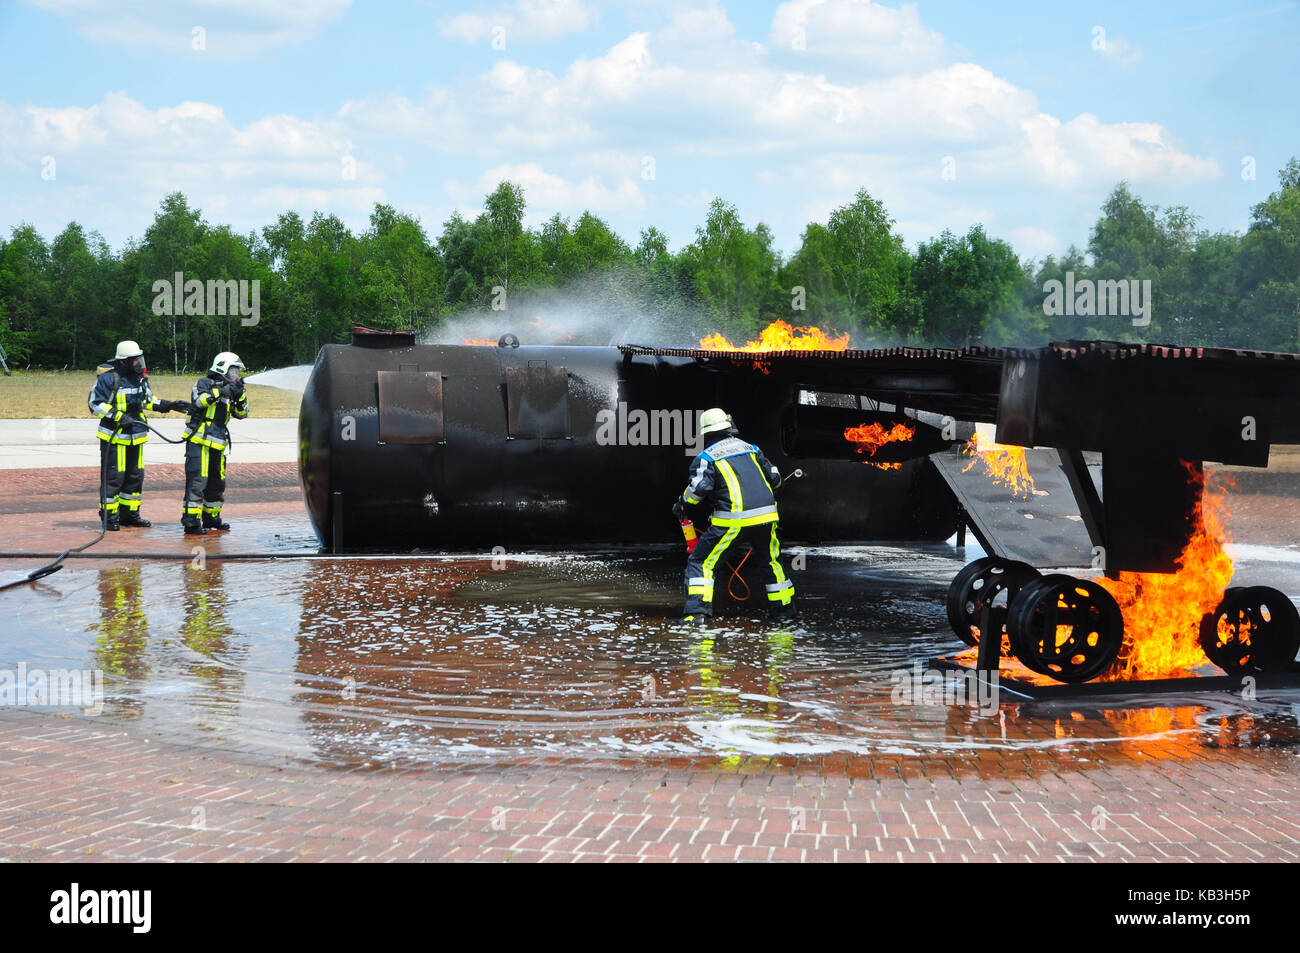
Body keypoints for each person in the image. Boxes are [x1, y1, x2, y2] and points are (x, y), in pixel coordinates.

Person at [673, 408, 795, 623]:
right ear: (729, 427)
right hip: (767, 518)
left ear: (706, 433)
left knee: (701, 562)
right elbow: (775, 479)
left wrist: (682, 503)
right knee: (771, 562)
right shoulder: (752, 449)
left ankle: (696, 614)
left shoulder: (706, 458)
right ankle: (785, 613)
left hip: (733, 521)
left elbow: (698, 490)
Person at [86, 340, 189, 529]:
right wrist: (118, 416)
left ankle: (130, 515)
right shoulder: (108, 379)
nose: (139, 363)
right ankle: (110, 518)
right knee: (114, 478)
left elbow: (148, 401)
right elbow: (94, 403)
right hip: (114, 439)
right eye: (135, 360)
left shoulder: (140, 379)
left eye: (139, 359)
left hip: (136, 436)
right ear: (124, 361)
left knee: (134, 477)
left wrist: (169, 405)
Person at [181, 352, 249, 535]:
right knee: (198, 482)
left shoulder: (232, 389)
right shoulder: (203, 383)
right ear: (222, 368)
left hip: (218, 444)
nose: (236, 375)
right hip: (199, 441)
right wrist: (221, 391)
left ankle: (212, 518)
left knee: (217, 483)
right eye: (234, 371)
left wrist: (240, 395)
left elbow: (242, 414)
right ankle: (191, 522)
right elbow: (199, 401)